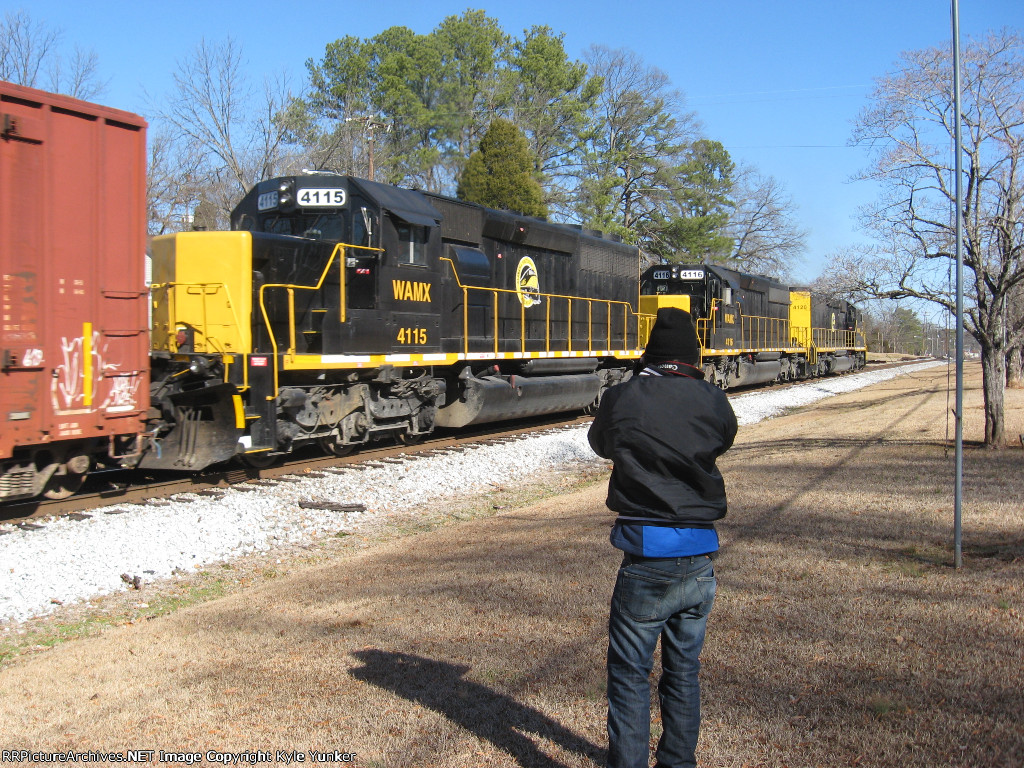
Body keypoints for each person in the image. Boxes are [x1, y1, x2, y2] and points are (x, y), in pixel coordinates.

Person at [588, 307, 738, 768]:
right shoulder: (714, 399)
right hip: (699, 560)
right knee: (684, 672)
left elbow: (600, 444)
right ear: (693, 356)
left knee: (630, 675)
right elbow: (723, 440)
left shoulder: (622, 397)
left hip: (645, 558)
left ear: (649, 355)